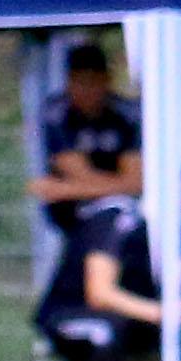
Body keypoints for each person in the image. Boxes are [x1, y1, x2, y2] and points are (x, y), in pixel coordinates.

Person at [36, 178, 181, 361]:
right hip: (71, 313)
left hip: (129, 323)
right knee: (104, 332)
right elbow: (99, 293)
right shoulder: (118, 218)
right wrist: (158, 312)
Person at [33, 37, 139, 234]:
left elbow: (136, 181)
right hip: (74, 216)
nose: (86, 91)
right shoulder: (56, 114)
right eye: (79, 82)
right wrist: (119, 185)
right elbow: (75, 170)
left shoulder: (127, 115)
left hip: (122, 212)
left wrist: (67, 189)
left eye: (93, 82)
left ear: (106, 81)